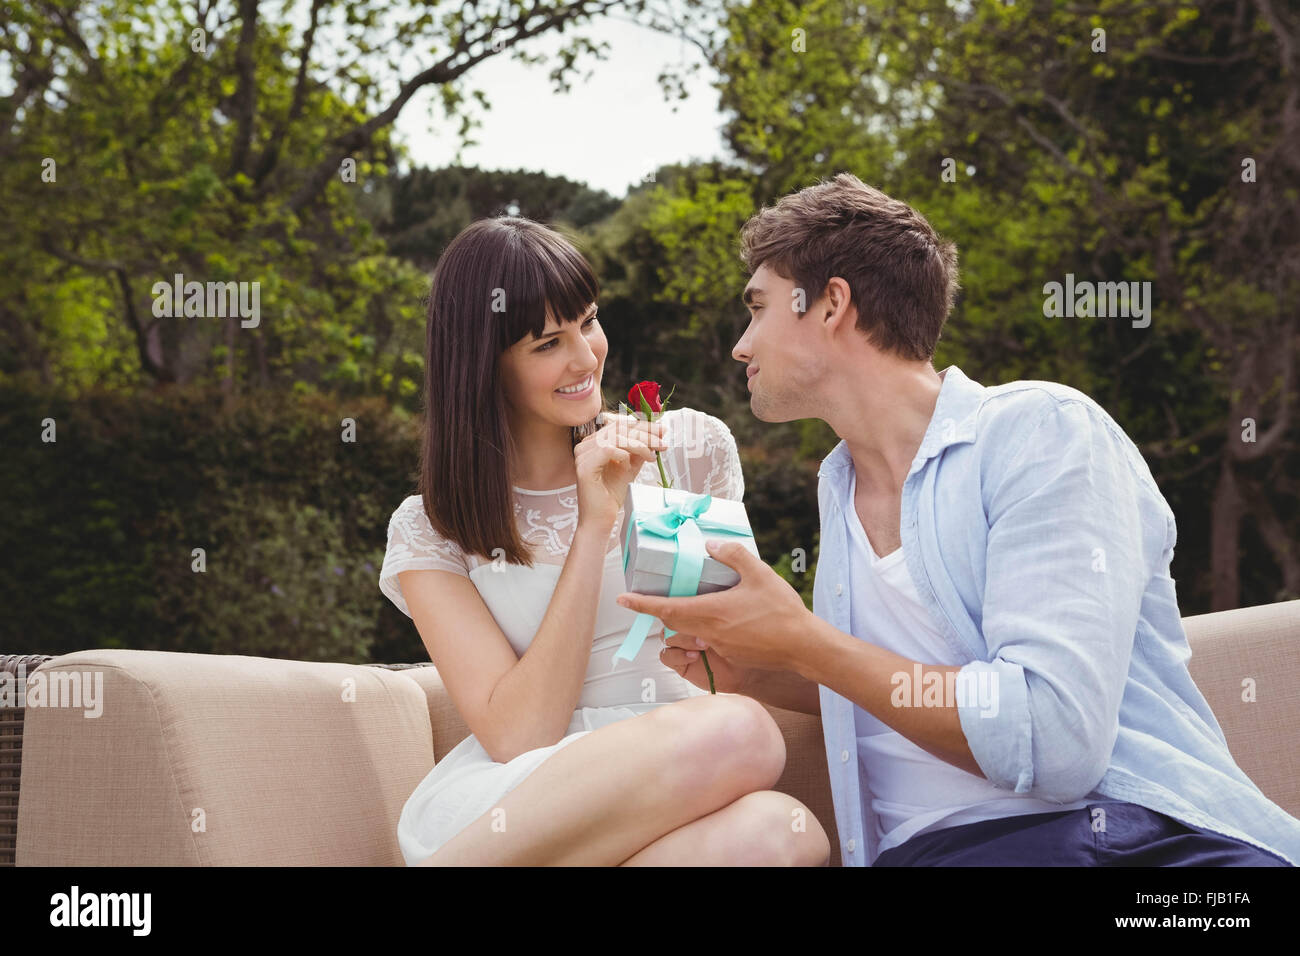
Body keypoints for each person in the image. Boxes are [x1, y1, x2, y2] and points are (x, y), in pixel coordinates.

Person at [618, 172, 1300, 867]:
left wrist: (803, 643)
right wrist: (764, 670)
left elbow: (1054, 740)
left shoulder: (1042, 432)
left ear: (830, 305)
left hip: (1131, 839)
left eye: (756, 308)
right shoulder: (840, 484)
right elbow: (914, 685)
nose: (741, 344)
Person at [378, 216, 832, 866]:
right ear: (486, 367)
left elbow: (741, 650)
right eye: (547, 344)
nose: (586, 357)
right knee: (742, 731)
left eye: (588, 321)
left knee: (785, 832)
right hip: (527, 801)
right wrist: (596, 522)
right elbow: (518, 734)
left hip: (683, 768)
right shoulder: (433, 525)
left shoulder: (689, 448)